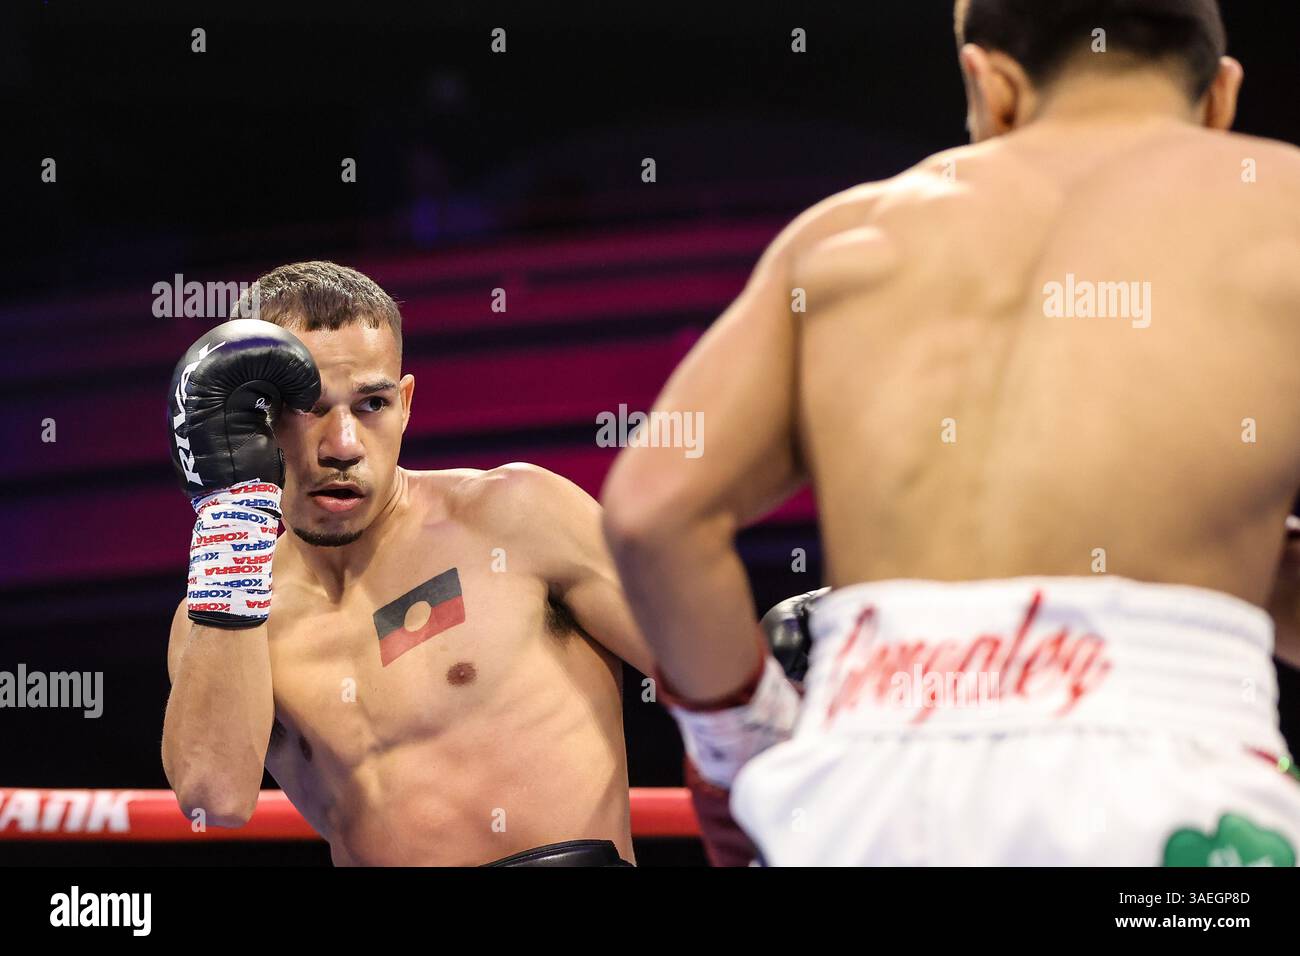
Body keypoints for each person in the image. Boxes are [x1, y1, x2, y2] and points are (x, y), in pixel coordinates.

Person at [601, 0, 1300, 865]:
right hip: (1168, 780)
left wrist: (745, 757)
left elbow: (651, 513)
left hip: (870, 790)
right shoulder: (1282, 206)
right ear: (1221, 95)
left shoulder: (845, 236)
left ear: (989, 82)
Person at [162, 261, 652, 866]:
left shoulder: (517, 517)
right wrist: (231, 524)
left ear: (407, 403)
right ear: (253, 418)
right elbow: (215, 796)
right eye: (310, 407)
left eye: (371, 403)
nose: (343, 445)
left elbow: (710, 672)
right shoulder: (224, 613)